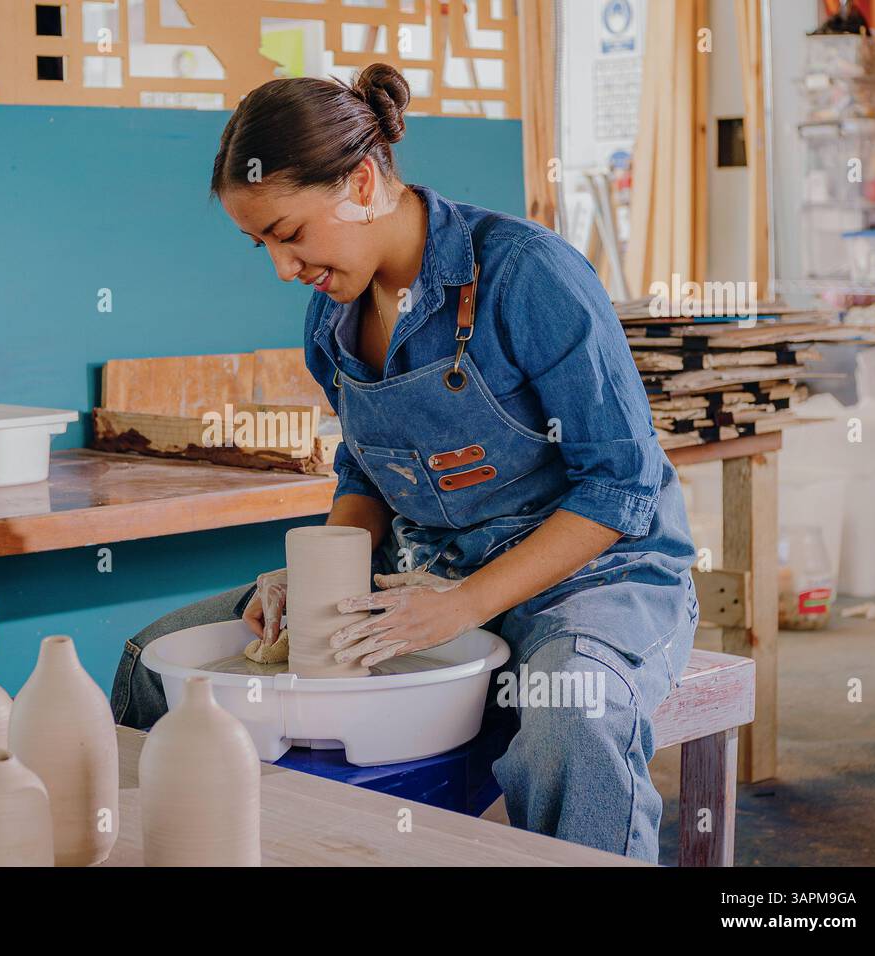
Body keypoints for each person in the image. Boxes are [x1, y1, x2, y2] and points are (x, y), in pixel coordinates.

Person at [111, 63, 698, 863]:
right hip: (421, 570)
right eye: (262, 247)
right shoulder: (332, 315)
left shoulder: (528, 276)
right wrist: (317, 571)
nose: (285, 268)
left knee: (573, 717)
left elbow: (621, 490)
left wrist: (461, 608)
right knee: (158, 663)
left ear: (361, 181)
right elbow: (364, 471)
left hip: (590, 577)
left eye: (289, 233)